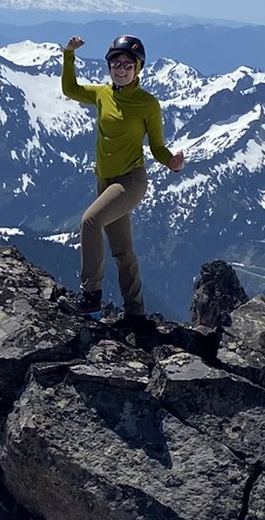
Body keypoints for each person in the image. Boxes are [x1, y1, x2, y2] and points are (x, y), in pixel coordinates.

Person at [61, 32, 186, 321]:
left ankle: (91, 297)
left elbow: (157, 147)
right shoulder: (102, 94)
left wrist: (172, 163)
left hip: (130, 181)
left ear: (138, 68)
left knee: (90, 222)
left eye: (128, 64)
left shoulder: (147, 104)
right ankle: (135, 313)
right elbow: (70, 89)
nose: (120, 69)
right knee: (123, 251)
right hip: (105, 181)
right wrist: (68, 54)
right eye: (115, 63)